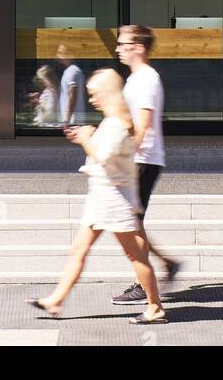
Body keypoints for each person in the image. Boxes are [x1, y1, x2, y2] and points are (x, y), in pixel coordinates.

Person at [29, 69, 166, 324]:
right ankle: (55, 300)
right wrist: (89, 135)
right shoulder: (112, 122)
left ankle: (155, 307)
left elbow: (103, 157)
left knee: (135, 256)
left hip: (115, 200)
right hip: (102, 197)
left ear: (108, 93)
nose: (92, 100)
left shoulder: (116, 124)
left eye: (95, 94)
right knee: (79, 250)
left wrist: (85, 139)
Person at [113, 24, 179, 305]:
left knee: (130, 223)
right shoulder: (136, 78)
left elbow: (143, 125)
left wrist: (125, 156)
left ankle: (145, 284)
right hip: (139, 158)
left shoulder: (146, 79)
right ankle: (164, 264)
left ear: (138, 47)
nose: (118, 49)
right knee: (131, 222)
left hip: (142, 159)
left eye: (122, 44)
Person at [56, 43, 87, 126]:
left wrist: (67, 118)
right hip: (72, 120)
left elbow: (73, 94)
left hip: (73, 121)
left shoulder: (72, 71)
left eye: (61, 52)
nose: (58, 55)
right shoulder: (69, 71)